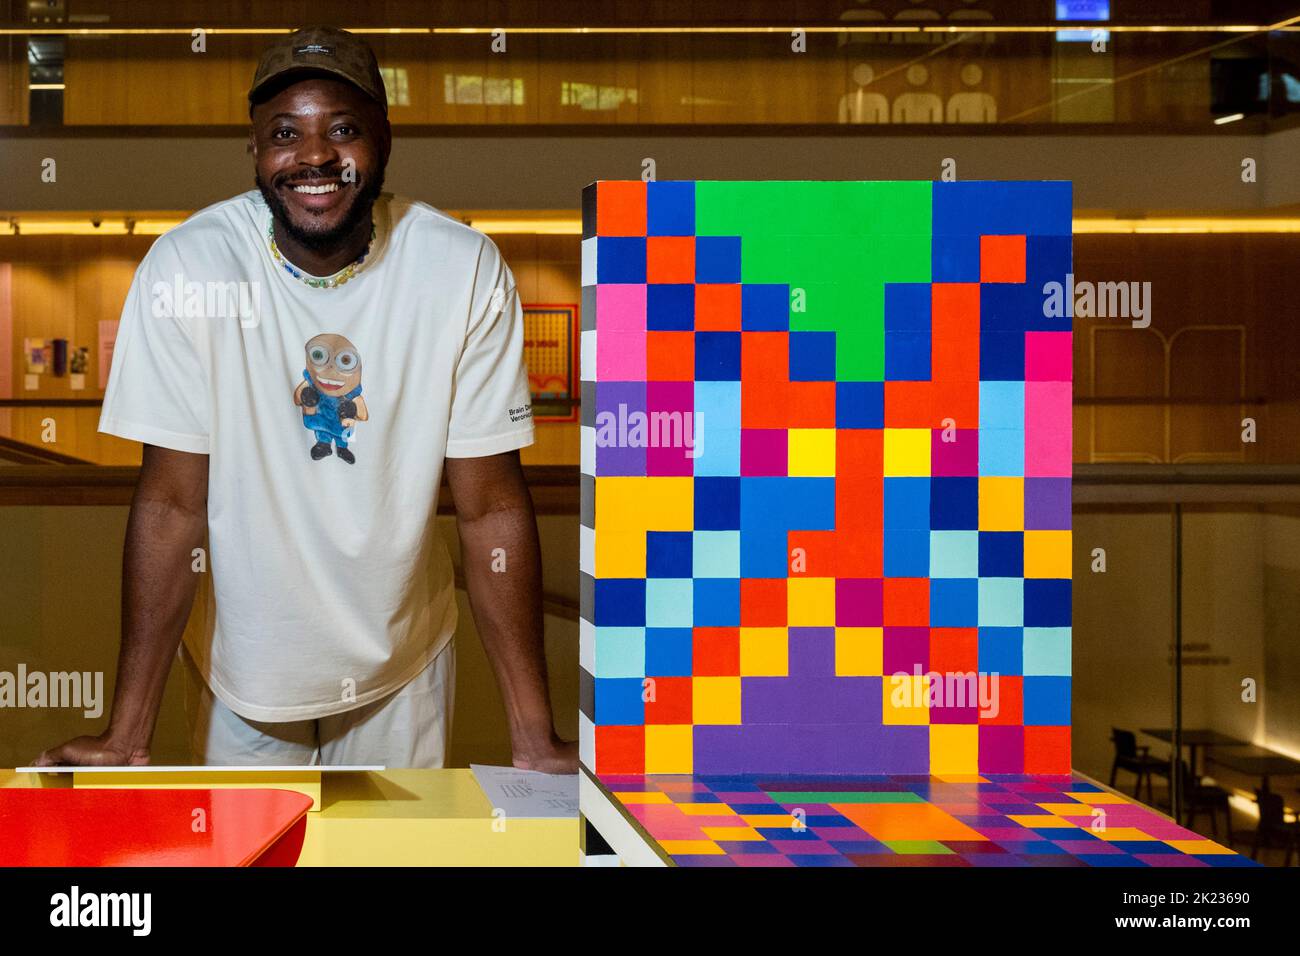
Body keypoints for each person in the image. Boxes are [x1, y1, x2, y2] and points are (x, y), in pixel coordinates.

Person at [35, 26, 576, 772]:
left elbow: (491, 507)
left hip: (400, 666)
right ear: (255, 150)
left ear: (383, 141)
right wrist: (127, 733)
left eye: (343, 129)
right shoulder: (191, 264)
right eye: (285, 132)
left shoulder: (460, 267)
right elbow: (171, 504)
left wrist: (532, 732)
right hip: (244, 670)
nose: (315, 155)